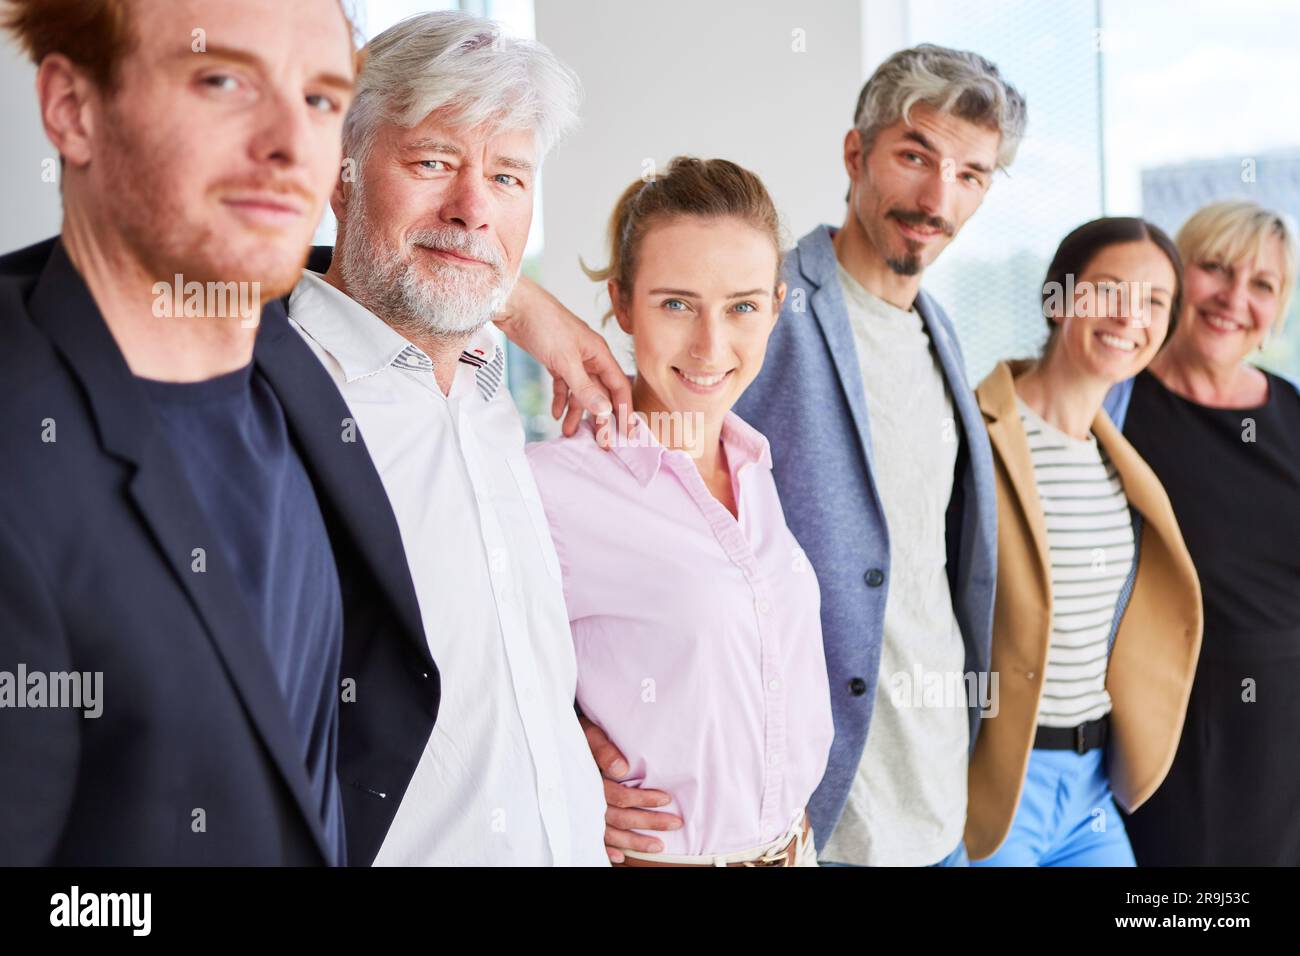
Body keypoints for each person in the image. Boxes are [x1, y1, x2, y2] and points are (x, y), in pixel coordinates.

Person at [579, 44, 1025, 867]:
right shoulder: (752, 302)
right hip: (814, 815)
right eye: (914, 156)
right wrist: (579, 744)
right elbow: (613, 528)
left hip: (936, 802)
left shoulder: (942, 333)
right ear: (856, 153)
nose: (937, 197)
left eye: (971, 174)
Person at [0, 0, 383, 865]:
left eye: (323, 99)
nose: (291, 144)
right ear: (72, 110)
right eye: (222, 80)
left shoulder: (291, 373)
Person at [285, 11, 610, 866]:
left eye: (508, 177)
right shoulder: (258, 386)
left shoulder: (495, 391)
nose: (473, 209)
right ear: (341, 175)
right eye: (432, 162)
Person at [527, 157, 834, 867]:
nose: (710, 345)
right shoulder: (552, 487)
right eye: (675, 304)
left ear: (777, 305)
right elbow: (464, 682)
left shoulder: (753, 465)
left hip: (797, 849)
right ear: (621, 303)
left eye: (742, 307)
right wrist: (568, 760)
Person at [968, 217, 1202, 865]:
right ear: (1057, 299)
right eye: (1108, 290)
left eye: (1154, 301)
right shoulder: (974, 434)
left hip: (1091, 789)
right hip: (999, 782)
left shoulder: (1117, 459)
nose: (1132, 315)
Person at [1102, 200, 1300, 865]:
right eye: (1216, 269)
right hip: (1166, 728)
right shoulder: (1114, 404)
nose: (1234, 298)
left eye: (1263, 285)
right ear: (1179, 277)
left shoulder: (1292, 411)